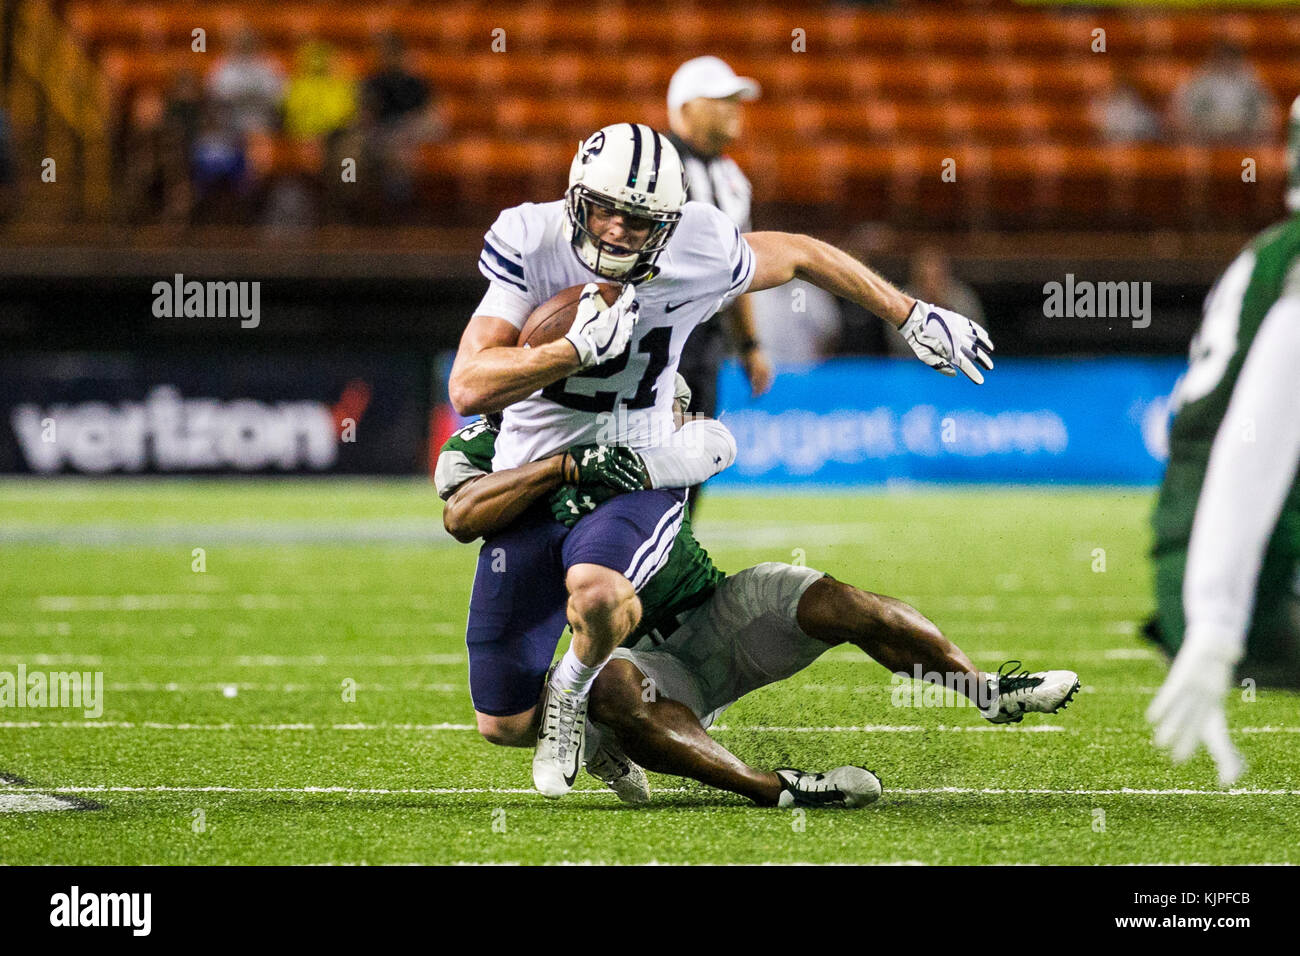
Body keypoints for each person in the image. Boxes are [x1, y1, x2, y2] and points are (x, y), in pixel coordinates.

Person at [447, 122, 993, 798]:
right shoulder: (532, 238)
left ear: (669, 224)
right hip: (535, 470)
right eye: (605, 209)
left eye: (638, 218)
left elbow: (799, 254)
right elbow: (469, 384)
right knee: (502, 723)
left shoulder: (699, 245)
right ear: (575, 199)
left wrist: (910, 314)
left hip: (635, 461)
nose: (616, 231)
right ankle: (596, 733)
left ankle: (573, 691)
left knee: (598, 592)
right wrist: (570, 352)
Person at [436, 380, 1080, 807]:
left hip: (717, 609)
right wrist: (555, 473)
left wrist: (622, 457)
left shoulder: (633, 410)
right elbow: (462, 512)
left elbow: (711, 440)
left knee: (845, 604)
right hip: (640, 659)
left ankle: (986, 692)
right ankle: (778, 789)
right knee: (604, 687)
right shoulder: (480, 450)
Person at [1146, 95, 1300, 784]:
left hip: (1205, 555)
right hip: (1250, 569)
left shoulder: (1266, 255)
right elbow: (1255, 432)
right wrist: (1218, 616)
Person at [665, 57, 773, 430]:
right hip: (652, 330)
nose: (733, 109)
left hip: (706, 336)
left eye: (735, 100)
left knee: (694, 452)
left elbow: (738, 266)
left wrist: (749, 344)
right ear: (686, 108)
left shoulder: (733, 179)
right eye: (720, 99)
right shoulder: (656, 165)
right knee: (649, 452)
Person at [1170, 41, 1275, 145]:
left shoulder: (1253, 85)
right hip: (1205, 143)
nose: (1227, 62)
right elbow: (1182, 118)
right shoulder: (1198, 85)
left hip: (1244, 143)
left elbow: (1268, 117)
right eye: (1223, 58)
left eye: (1231, 58)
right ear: (1215, 60)